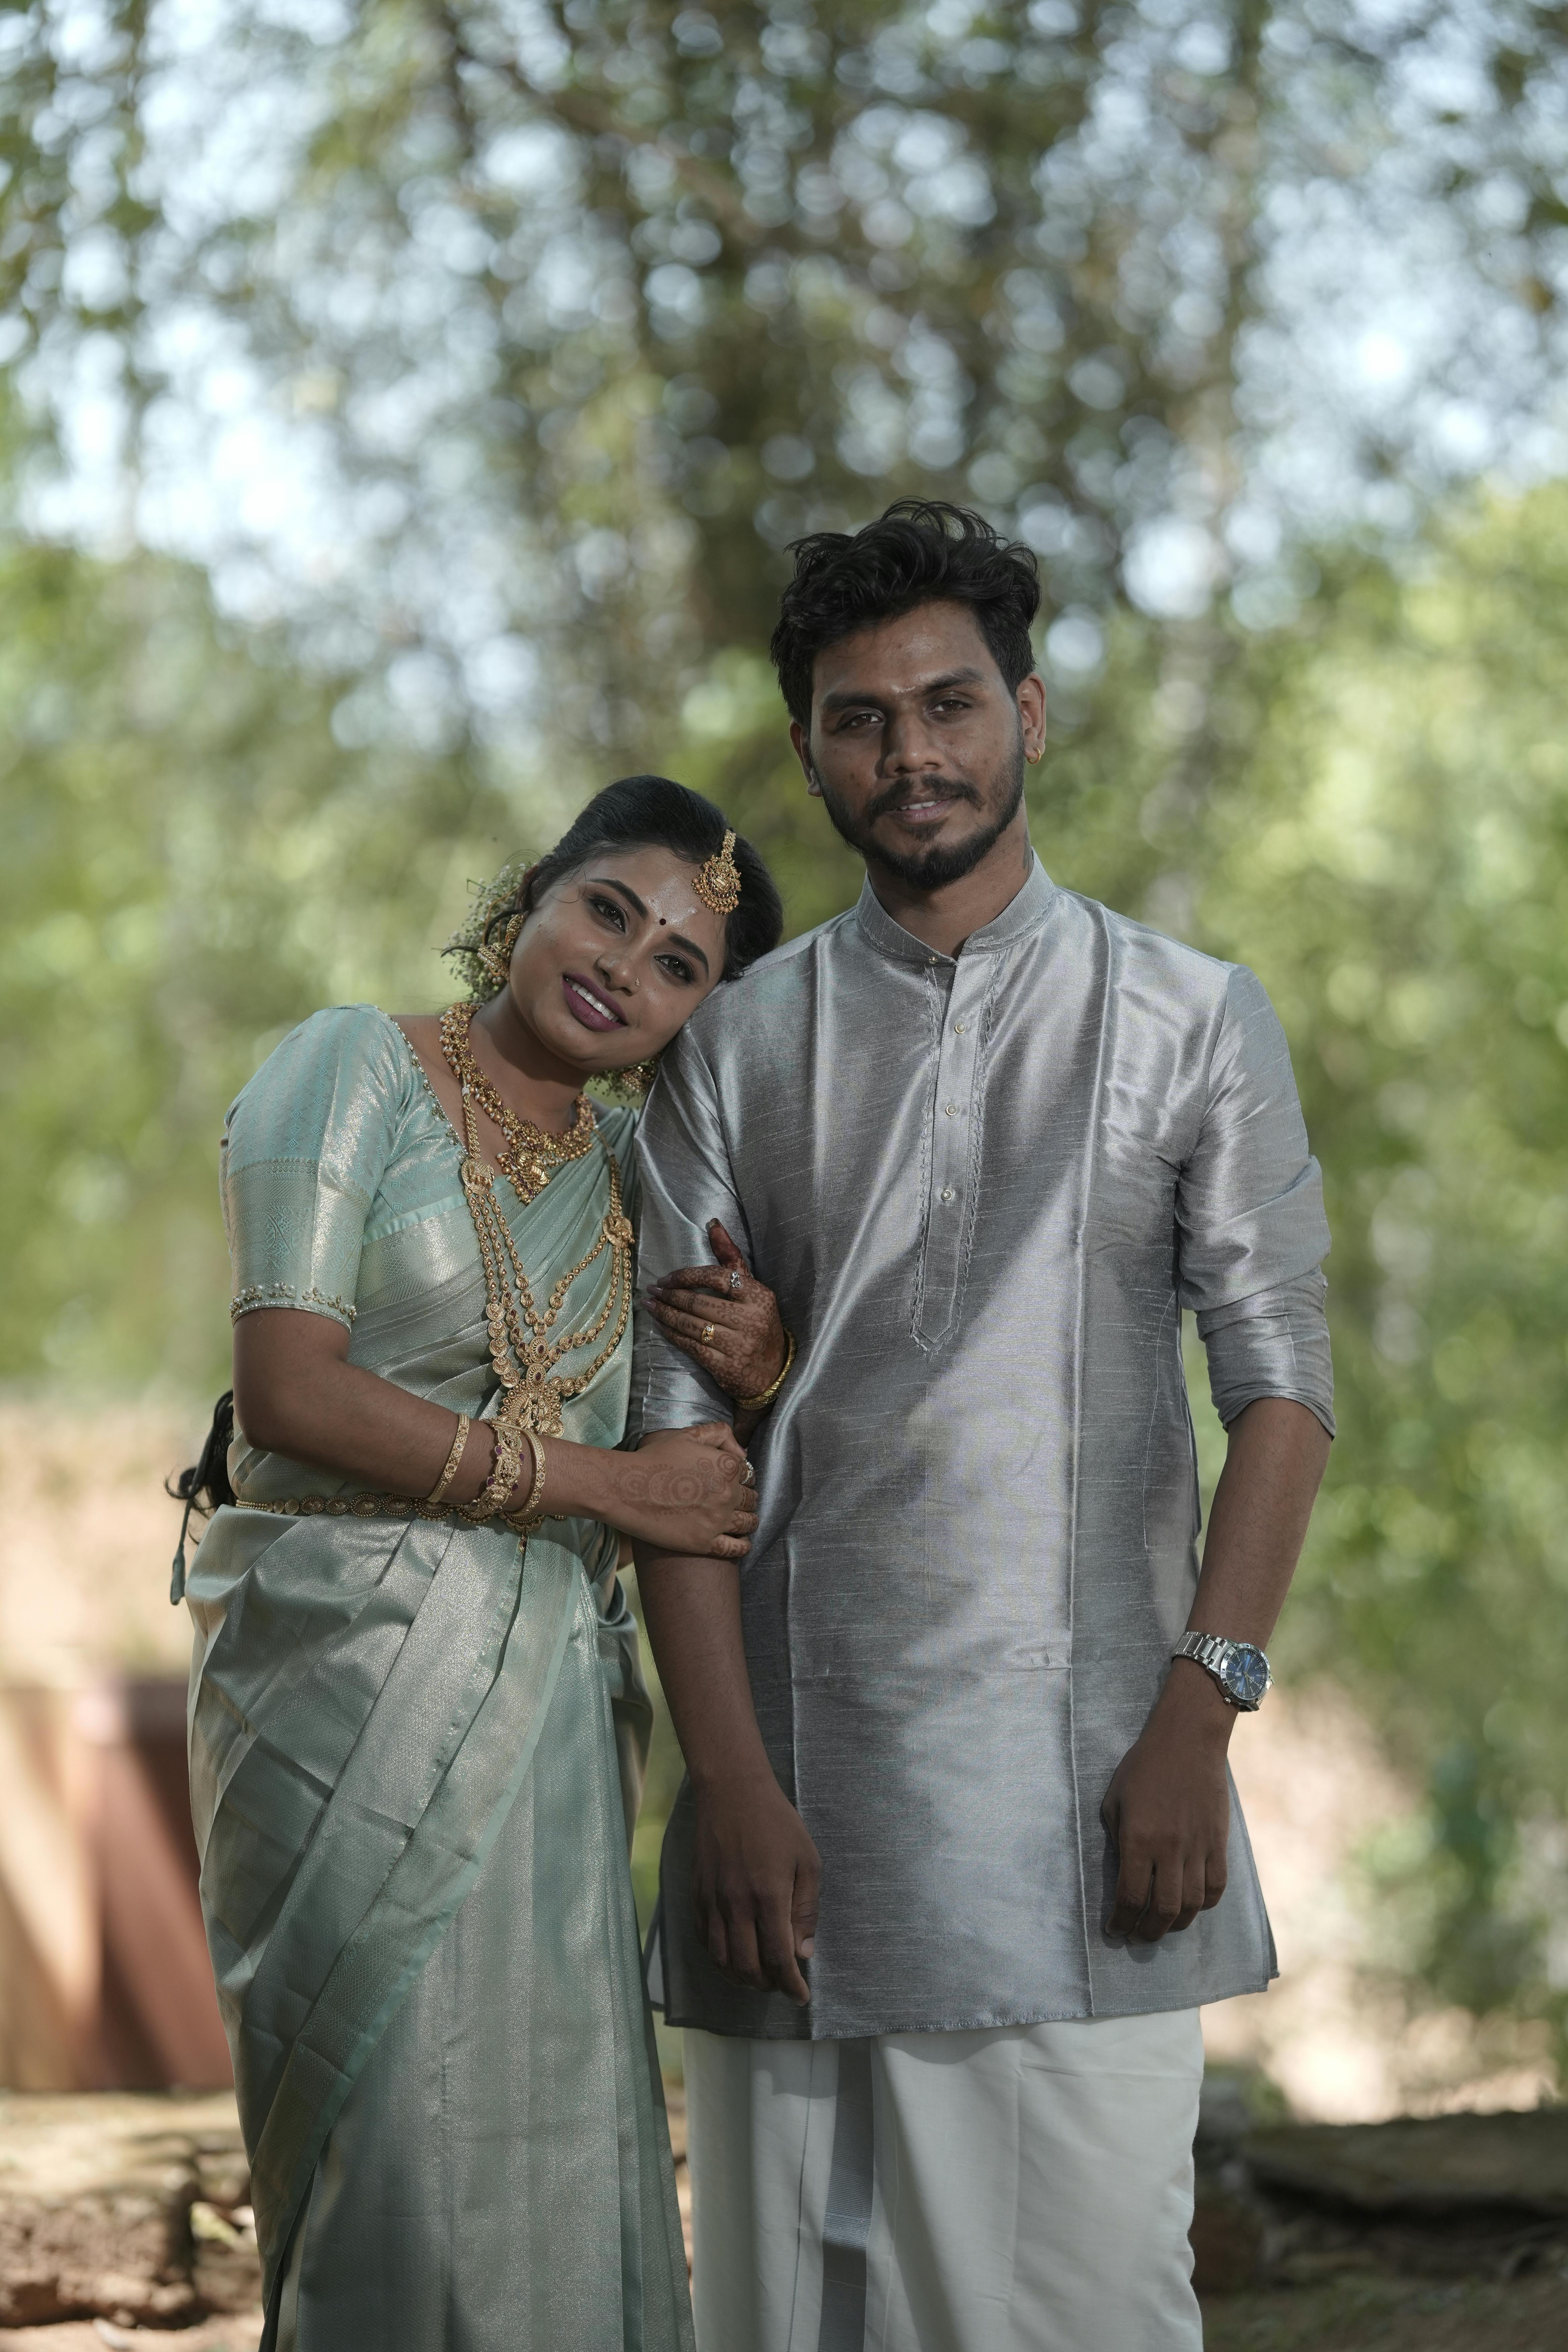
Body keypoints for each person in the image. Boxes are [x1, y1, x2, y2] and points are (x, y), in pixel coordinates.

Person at [629, 503, 1335, 2351]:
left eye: (951, 704)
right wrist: (726, 1782)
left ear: (1030, 711)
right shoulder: (737, 1045)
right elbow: (673, 1450)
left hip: (1094, 1801)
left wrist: (1205, 1704)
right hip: (785, 1813)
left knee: (1089, 2308)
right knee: (797, 2316)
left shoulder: (1189, 1020)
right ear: (807, 751)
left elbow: (1283, 1391)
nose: (913, 752)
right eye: (863, 719)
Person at [178, 777, 792, 2352]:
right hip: (329, 1691)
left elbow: (706, 1466)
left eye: (678, 966)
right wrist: (607, 1485)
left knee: (553, 2136)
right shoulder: (353, 1067)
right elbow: (290, 1393)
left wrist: (768, 1364)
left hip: (549, 1723)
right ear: (535, 893)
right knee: (380, 2146)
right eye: (611, 910)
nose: (625, 968)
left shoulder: (647, 1190)